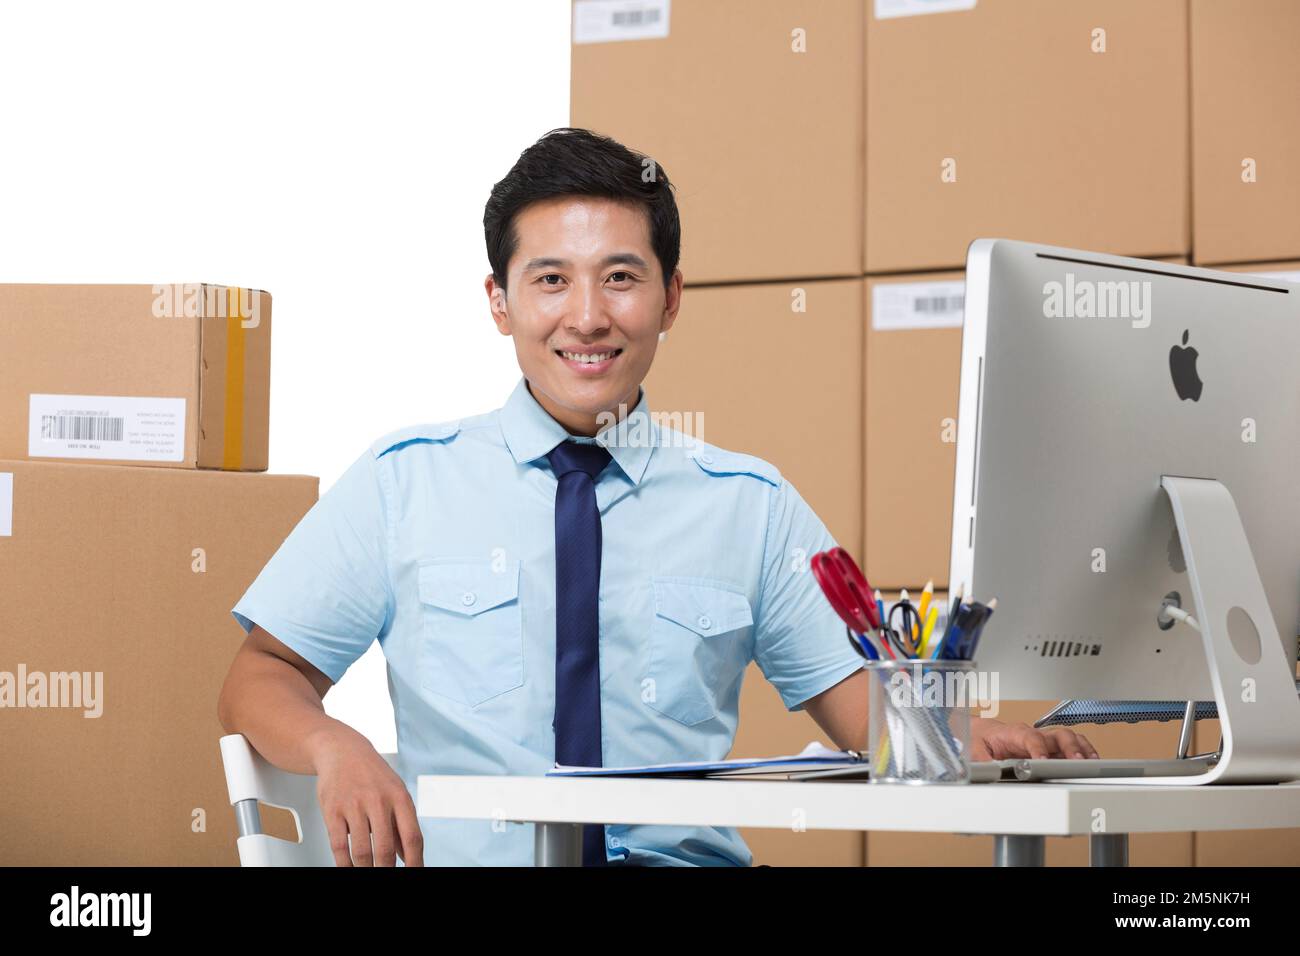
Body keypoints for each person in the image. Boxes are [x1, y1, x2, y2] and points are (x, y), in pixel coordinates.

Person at [217, 127, 1098, 867]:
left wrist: (966, 737)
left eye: (623, 278)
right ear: (500, 301)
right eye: (551, 279)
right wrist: (338, 747)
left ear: (672, 299)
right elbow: (259, 678)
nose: (588, 316)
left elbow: (856, 704)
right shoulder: (403, 481)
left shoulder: (750, 504)